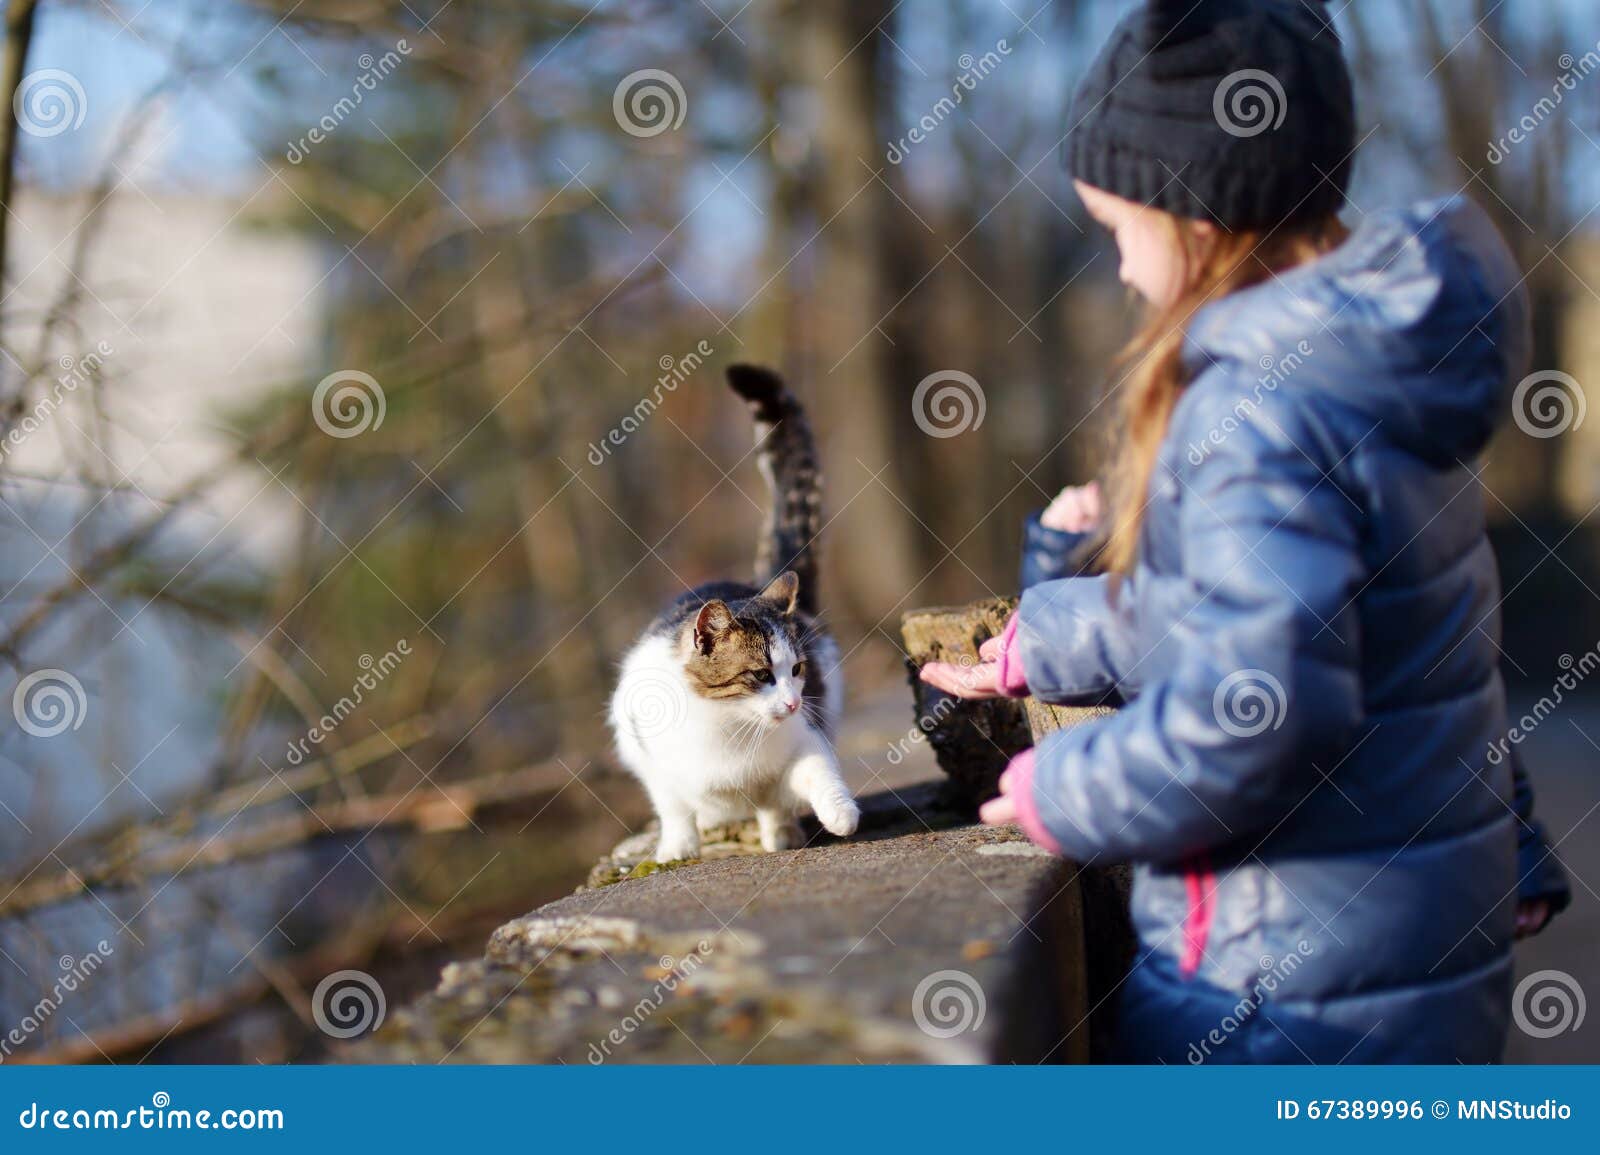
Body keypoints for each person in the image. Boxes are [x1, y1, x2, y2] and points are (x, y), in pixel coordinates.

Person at [922, 0, 1569, 1062]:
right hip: (1414, 969)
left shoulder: (1252, 415)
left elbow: (1253, 713)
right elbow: (1382, 633)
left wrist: (1066, 789)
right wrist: (1050, 636)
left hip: (1279, 995)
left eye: (1119, 232)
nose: (1123, 273)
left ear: (1197, 217)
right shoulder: (1375, 375)